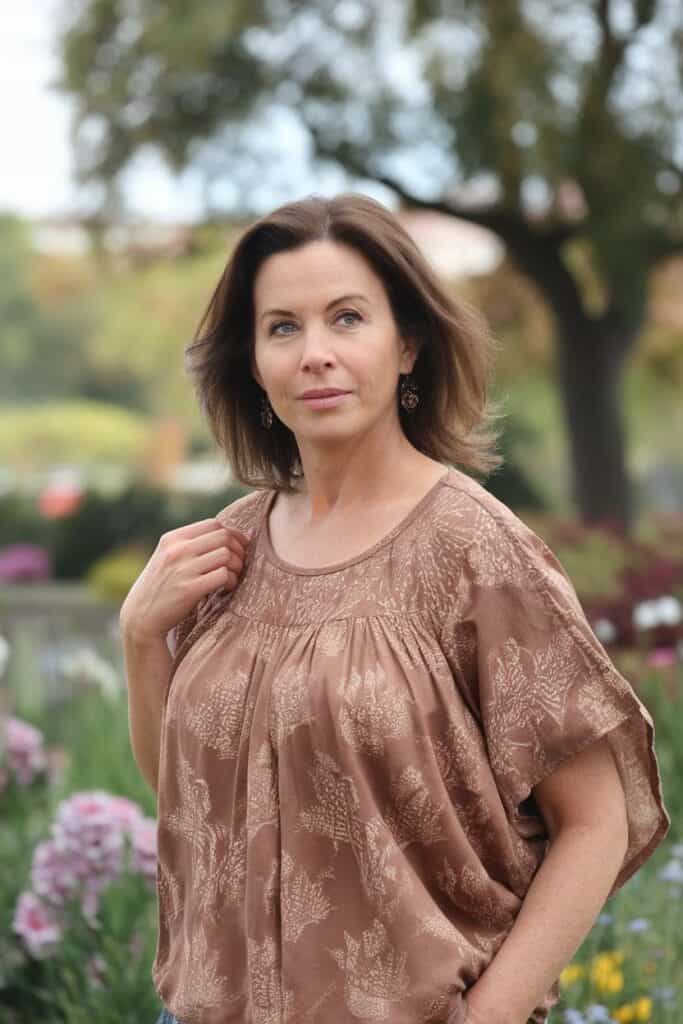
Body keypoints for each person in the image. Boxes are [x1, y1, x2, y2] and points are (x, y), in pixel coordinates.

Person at [120, 193, 670, 1024]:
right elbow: (193, 805)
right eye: (282, 327)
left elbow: (595, 821)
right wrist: (139, 639)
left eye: (347, 319)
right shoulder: (222, 554)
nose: (315, 354)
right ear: (253, 364)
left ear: (406, 344)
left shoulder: (474, 550)